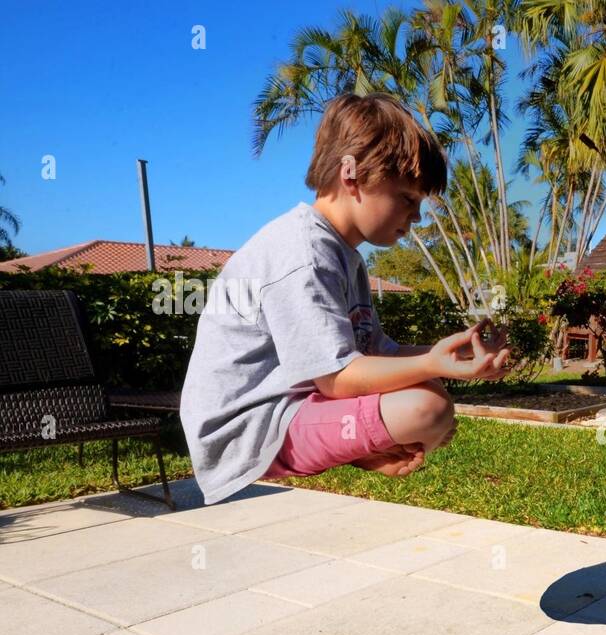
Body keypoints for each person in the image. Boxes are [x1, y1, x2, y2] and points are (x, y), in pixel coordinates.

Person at [180, 93, 510, 506]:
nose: (417, 217)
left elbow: (375, 351)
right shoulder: (302, 254)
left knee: (432, 404)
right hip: (247, 425)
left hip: (292, 406)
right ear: (350, 174)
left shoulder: (344, 256)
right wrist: (431, 365)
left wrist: (453, 356)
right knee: (426, 407)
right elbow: (338, 378)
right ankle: (358, 447)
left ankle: (359, 447)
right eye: (407, 199)